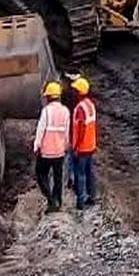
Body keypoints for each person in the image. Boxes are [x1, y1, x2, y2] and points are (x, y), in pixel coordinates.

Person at [34, 81, 70, 213]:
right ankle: (58, 201)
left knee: (40, 174)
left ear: (48, 97)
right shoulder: (65, 111)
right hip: (59, 151)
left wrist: (36, 146)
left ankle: (50, 200)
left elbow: (40, 130)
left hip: (46, 151)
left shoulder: (46, 111)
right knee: (58, 177)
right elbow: (66, 131)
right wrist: (66, 145)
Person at [69, 76, 98, 210]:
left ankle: (81, 202)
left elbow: (81, 128)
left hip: (82, 147)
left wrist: (75, 147)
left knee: (80, 174)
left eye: (75, 90)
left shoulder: (80, 108)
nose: (73, 92)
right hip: (90, 145)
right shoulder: (90, 105)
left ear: (79, 92)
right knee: (89, 171)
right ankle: (92, 197)